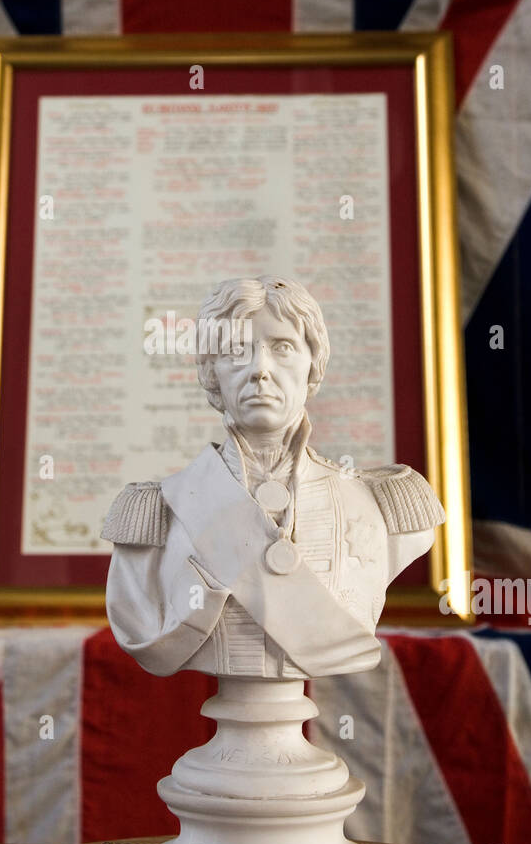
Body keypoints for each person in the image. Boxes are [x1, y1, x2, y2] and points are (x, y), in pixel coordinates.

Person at [102, 275, 444, 679]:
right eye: (236, 351)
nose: (260, 370)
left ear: (312, 364)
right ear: (212, 374)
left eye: (282, 348)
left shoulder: (383, 502)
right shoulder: (158, 509)